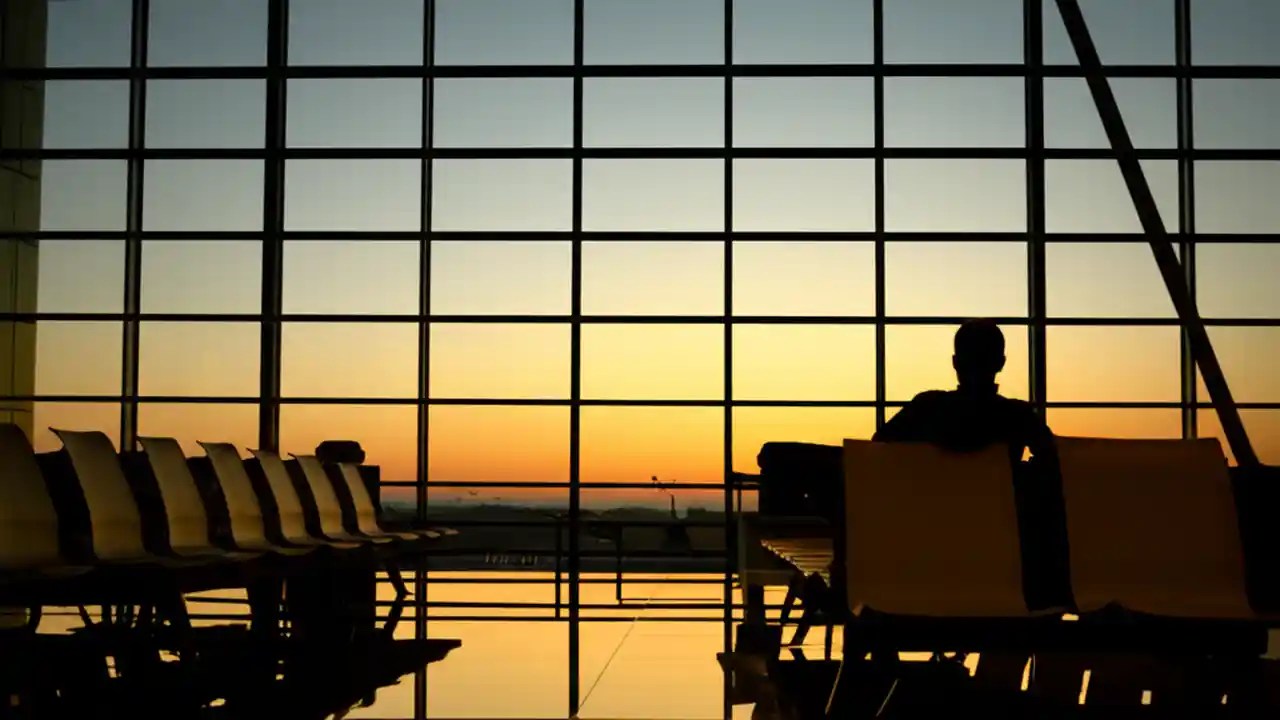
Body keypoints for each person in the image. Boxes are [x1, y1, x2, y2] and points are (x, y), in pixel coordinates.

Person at [874, 318, 1056, 465]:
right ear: (1000, 363)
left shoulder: (926, 407)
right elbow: (1053, 459)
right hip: (996, 509)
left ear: (956, 363)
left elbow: (878, 448)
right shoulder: (1019, 416)